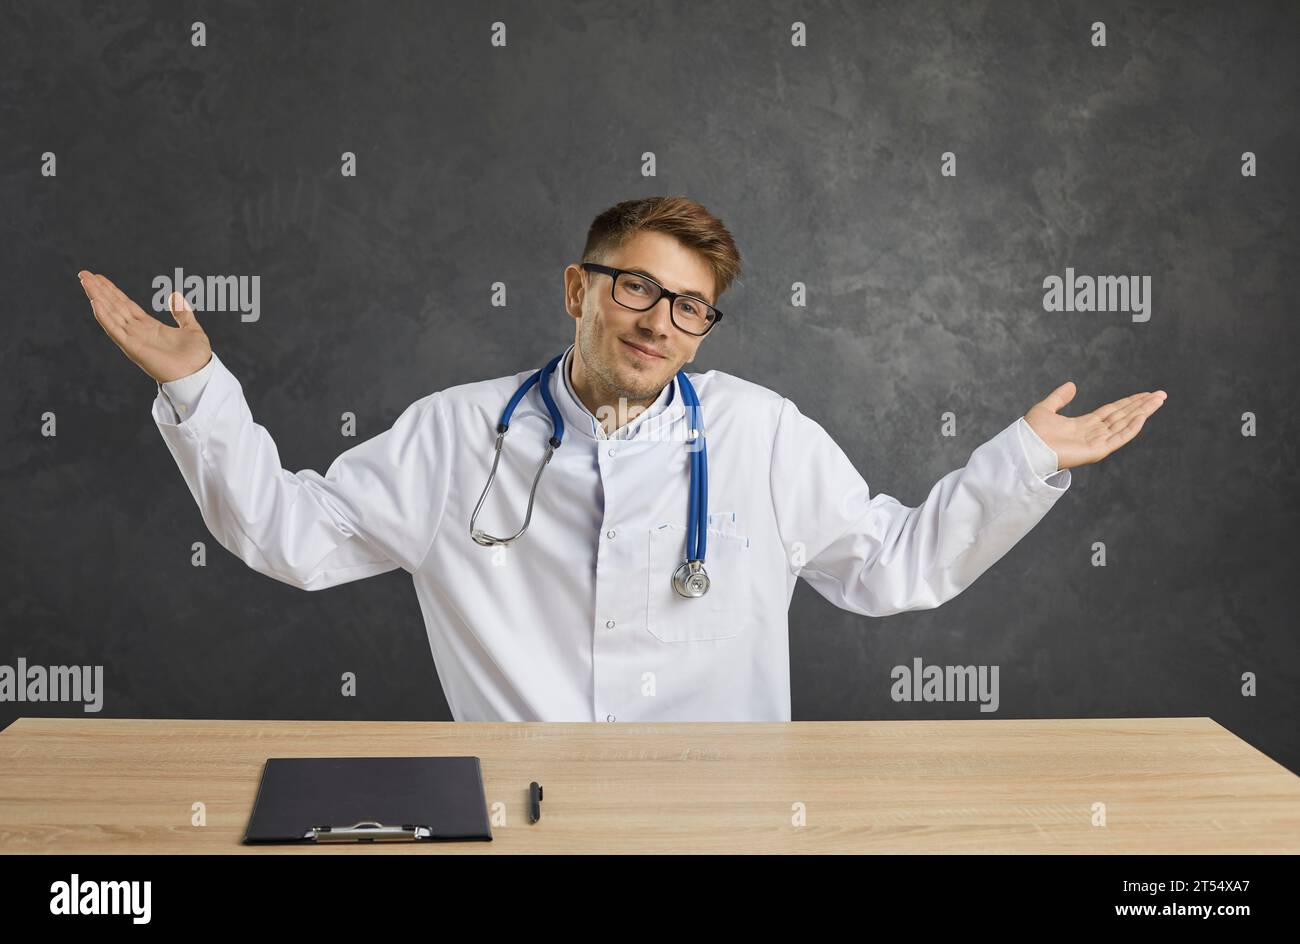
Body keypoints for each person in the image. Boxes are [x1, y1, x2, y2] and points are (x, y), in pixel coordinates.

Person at [78, 195, 1167, 722]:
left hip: (724, 829)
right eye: (636, 287)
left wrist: (1024, 457)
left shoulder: (759, 431)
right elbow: (288, 534)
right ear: (578, 288)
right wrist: (195, 387)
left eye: (690, 307)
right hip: (520, 825)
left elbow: (893, 565)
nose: (658, 321)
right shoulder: (460, 433)